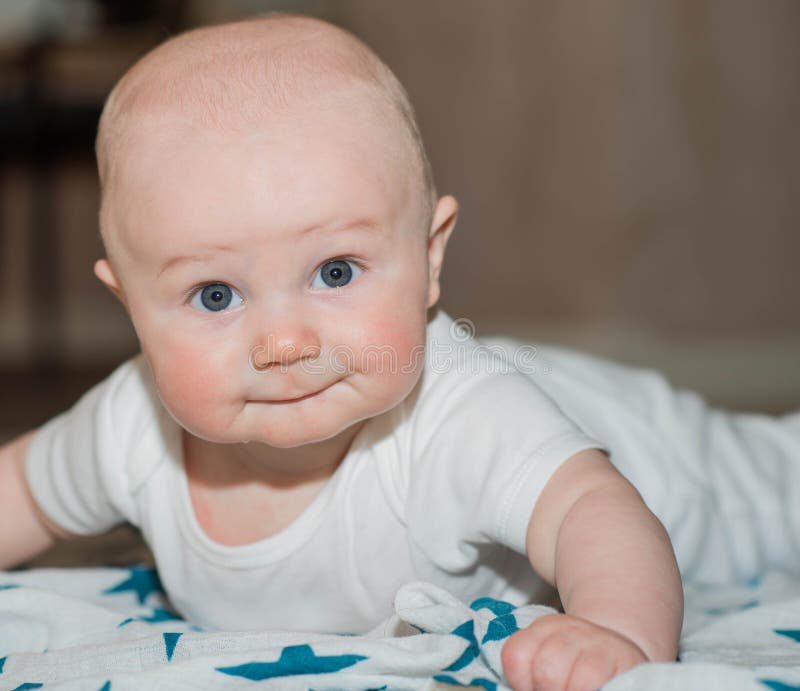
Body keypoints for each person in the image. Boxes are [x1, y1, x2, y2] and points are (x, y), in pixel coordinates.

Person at [0, 14, 688, 691]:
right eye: (215, 295)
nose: (284, 344)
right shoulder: (131, 424)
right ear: (131, 307)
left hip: (658, 449)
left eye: (335, 272)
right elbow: (23, 490)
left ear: (428, 254)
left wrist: (615, 629)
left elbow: (591, 509)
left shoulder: (465, 416)